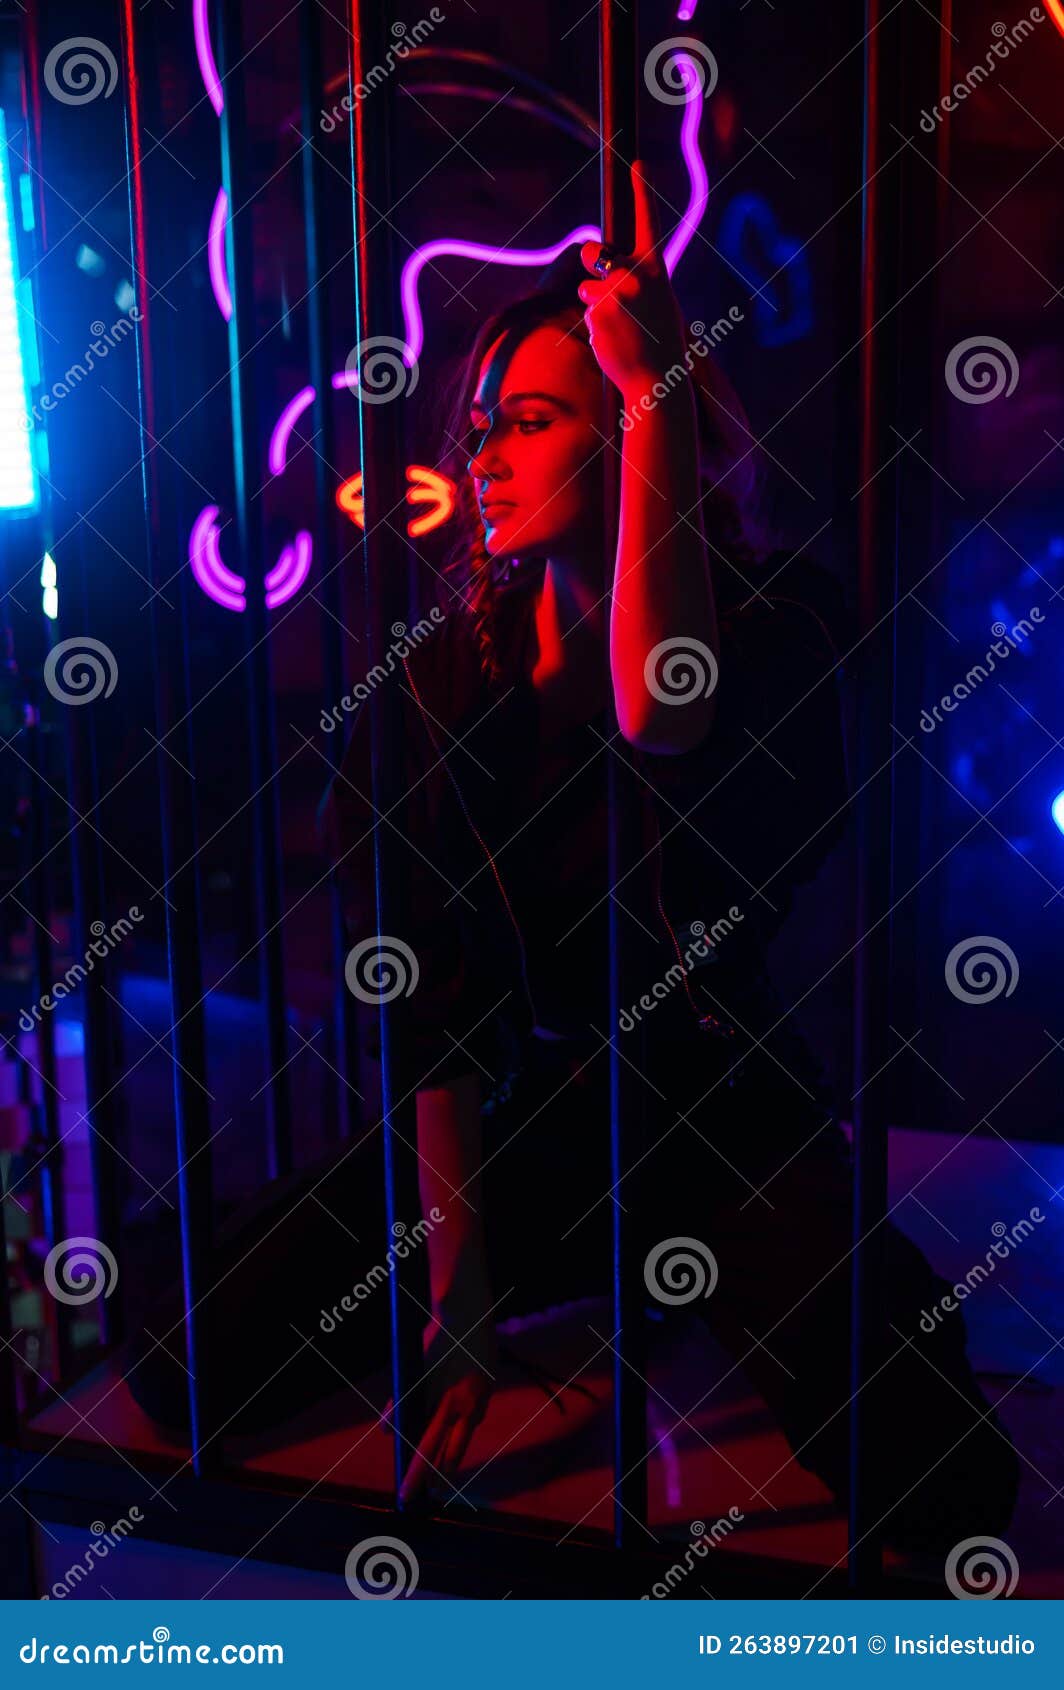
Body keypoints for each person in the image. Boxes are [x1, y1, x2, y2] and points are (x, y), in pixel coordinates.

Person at [126, 163, 1018, 1556]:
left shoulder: (778, 618)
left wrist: (654, 385)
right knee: (191, 1349)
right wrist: (460, 1250)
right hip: (540, 1122)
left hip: (724, 1106)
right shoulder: (443, 681)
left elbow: (664, 705)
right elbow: (432, 978)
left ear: (627, 427)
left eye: (532, 419)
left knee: (935, 1472)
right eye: (479, 422)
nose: (479, 450)